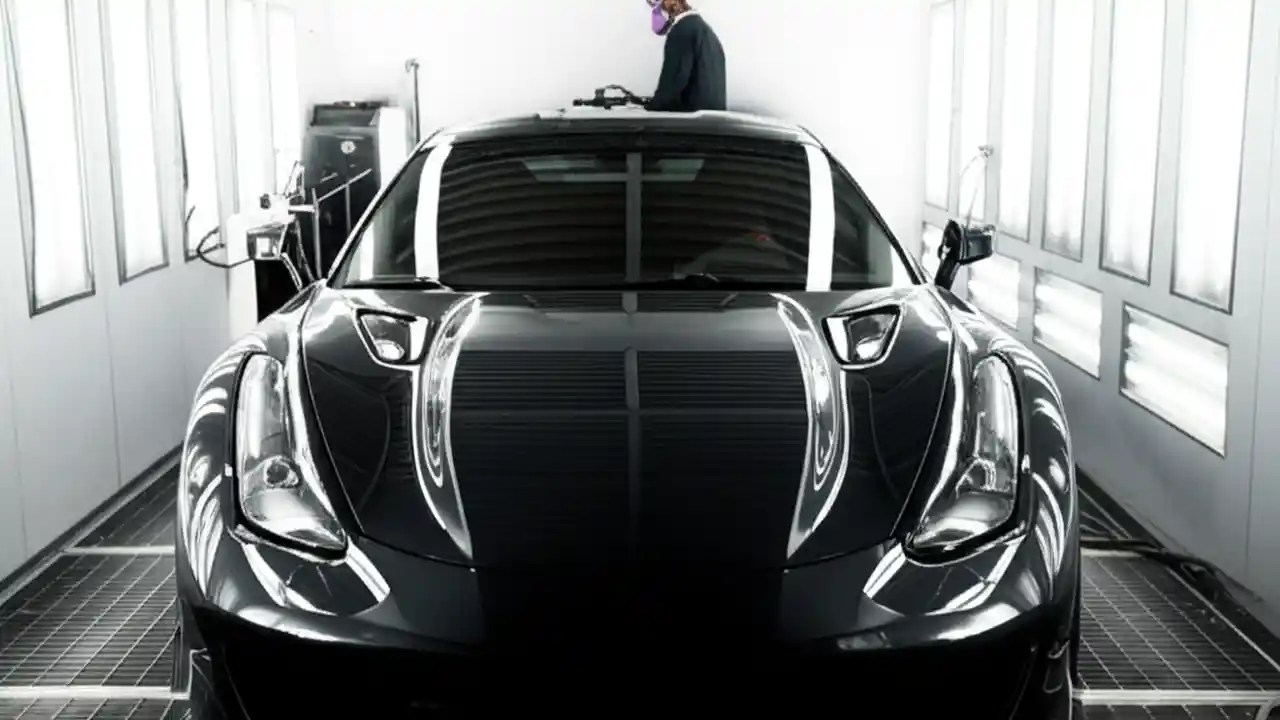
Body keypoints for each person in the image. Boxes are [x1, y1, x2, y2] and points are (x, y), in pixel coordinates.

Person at [644, 0, 726, 112]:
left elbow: (673, 83)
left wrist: (653, 107)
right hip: (711, 124)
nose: (656, 10)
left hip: (690, 124)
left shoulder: (681, 31)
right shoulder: (707, 32)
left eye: (657, 4)